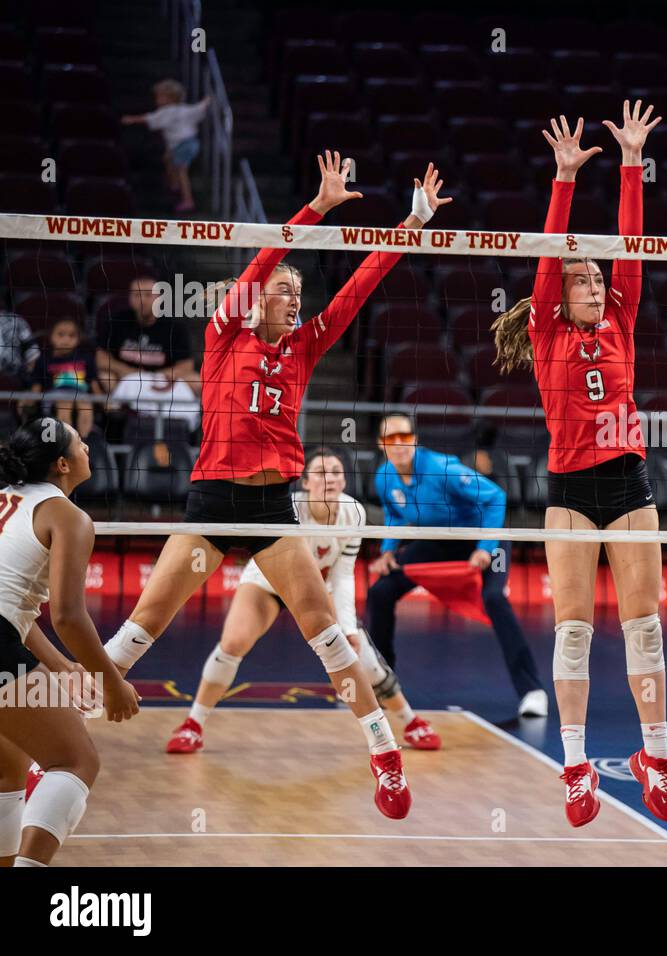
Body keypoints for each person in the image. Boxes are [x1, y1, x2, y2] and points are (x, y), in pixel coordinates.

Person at [97, 151, 452, 820]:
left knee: (328, 632)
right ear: (256, 300)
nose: (294, 300)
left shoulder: (308, 345)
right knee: (145, 622)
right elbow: (264, 262)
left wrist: (413, 222)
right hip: (211, 503)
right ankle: (56, 745)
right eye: (283, 293)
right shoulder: (224, 334)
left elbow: (360, 288)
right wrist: (317, 207)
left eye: (298, 294)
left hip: (268, 506)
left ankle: (385, 756)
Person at [490, 102, 667, 827]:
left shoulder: (623, 316)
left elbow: (632, 244)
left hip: (628, 485)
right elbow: (547, 254)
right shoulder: (545, 329)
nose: (596, 287)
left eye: (600, 281)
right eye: (583, 282)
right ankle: (575, 767)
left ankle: (654, 754)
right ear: (561, 296)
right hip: (570, 491)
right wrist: (565, 177)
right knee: (574, 629)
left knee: (646, 625)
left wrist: (632, 161)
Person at [165, 448, 441, 754]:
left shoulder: (354, 513)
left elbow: (343, 575)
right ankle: (193, 724)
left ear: (345, 481)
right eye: (321, 473)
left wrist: (348, 628)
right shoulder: (289, 508)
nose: (330, 479)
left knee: (359, 654)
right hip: (268, 582)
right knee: (232, 643)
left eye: (336, 472)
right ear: (306, 482)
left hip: (316, 589)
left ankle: (410, 720)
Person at [0, 419, 140, 867]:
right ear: (63, 463)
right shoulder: (68, 516)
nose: (87, 444)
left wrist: (61, 667)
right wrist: (112, 682)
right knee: (76, 762)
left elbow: (14, 608)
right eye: (79, 442)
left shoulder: (7, 499)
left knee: (8, 773)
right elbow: (67, 615)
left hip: (6, 638)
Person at [368, 414, 546, 719]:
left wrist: (485, 548)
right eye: (390, 439)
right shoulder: (384, 476)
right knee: (380, 592)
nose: (399, 444)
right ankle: (384, 685)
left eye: (405, 436)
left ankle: (532, 691)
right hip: (436, 542)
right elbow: (396, 516)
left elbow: (495, 498)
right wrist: (387, 551)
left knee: (493, 599)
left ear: (415, 438)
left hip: (480, 538)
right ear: (380, 445)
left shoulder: (441, 468)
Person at [98, 273, 199, 396]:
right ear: (129, 298)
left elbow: (186, 366)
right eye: (137, 295)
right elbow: (101, 359)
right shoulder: (117, 321)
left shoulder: (175, 327)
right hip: (124, 376)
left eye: (148, 295)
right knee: (105, 377)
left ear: (159, 298)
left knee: (197, 382)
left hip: (162, 378)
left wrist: (157, 376)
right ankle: (115, 413)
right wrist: (127, 371)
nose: (142, 300)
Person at [121, 79, 210, 214]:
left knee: (181, 170)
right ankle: (174, 184)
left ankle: (187, 200)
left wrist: (131, 119)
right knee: (168, 158)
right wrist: (207, 100)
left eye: (159, 96)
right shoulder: (184, 110)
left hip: (183, 144)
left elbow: (149, 118)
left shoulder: (167, 112)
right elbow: (198, 108)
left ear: (170, 98)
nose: (156, 99)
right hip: (188, 144)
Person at [26, 317, 104, 437]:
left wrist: (104, 402)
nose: (66, 339)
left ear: (78, 339)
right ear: (51, 337)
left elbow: (93, 382)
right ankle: (66, 441)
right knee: (64, 405)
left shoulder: (86, 358)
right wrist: (29, 401)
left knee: (86, 407)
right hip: (55, 395)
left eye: (71, 335)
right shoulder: (44, 359)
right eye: (61, 335)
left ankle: (84, 440)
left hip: (80, 394)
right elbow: (37, 384)